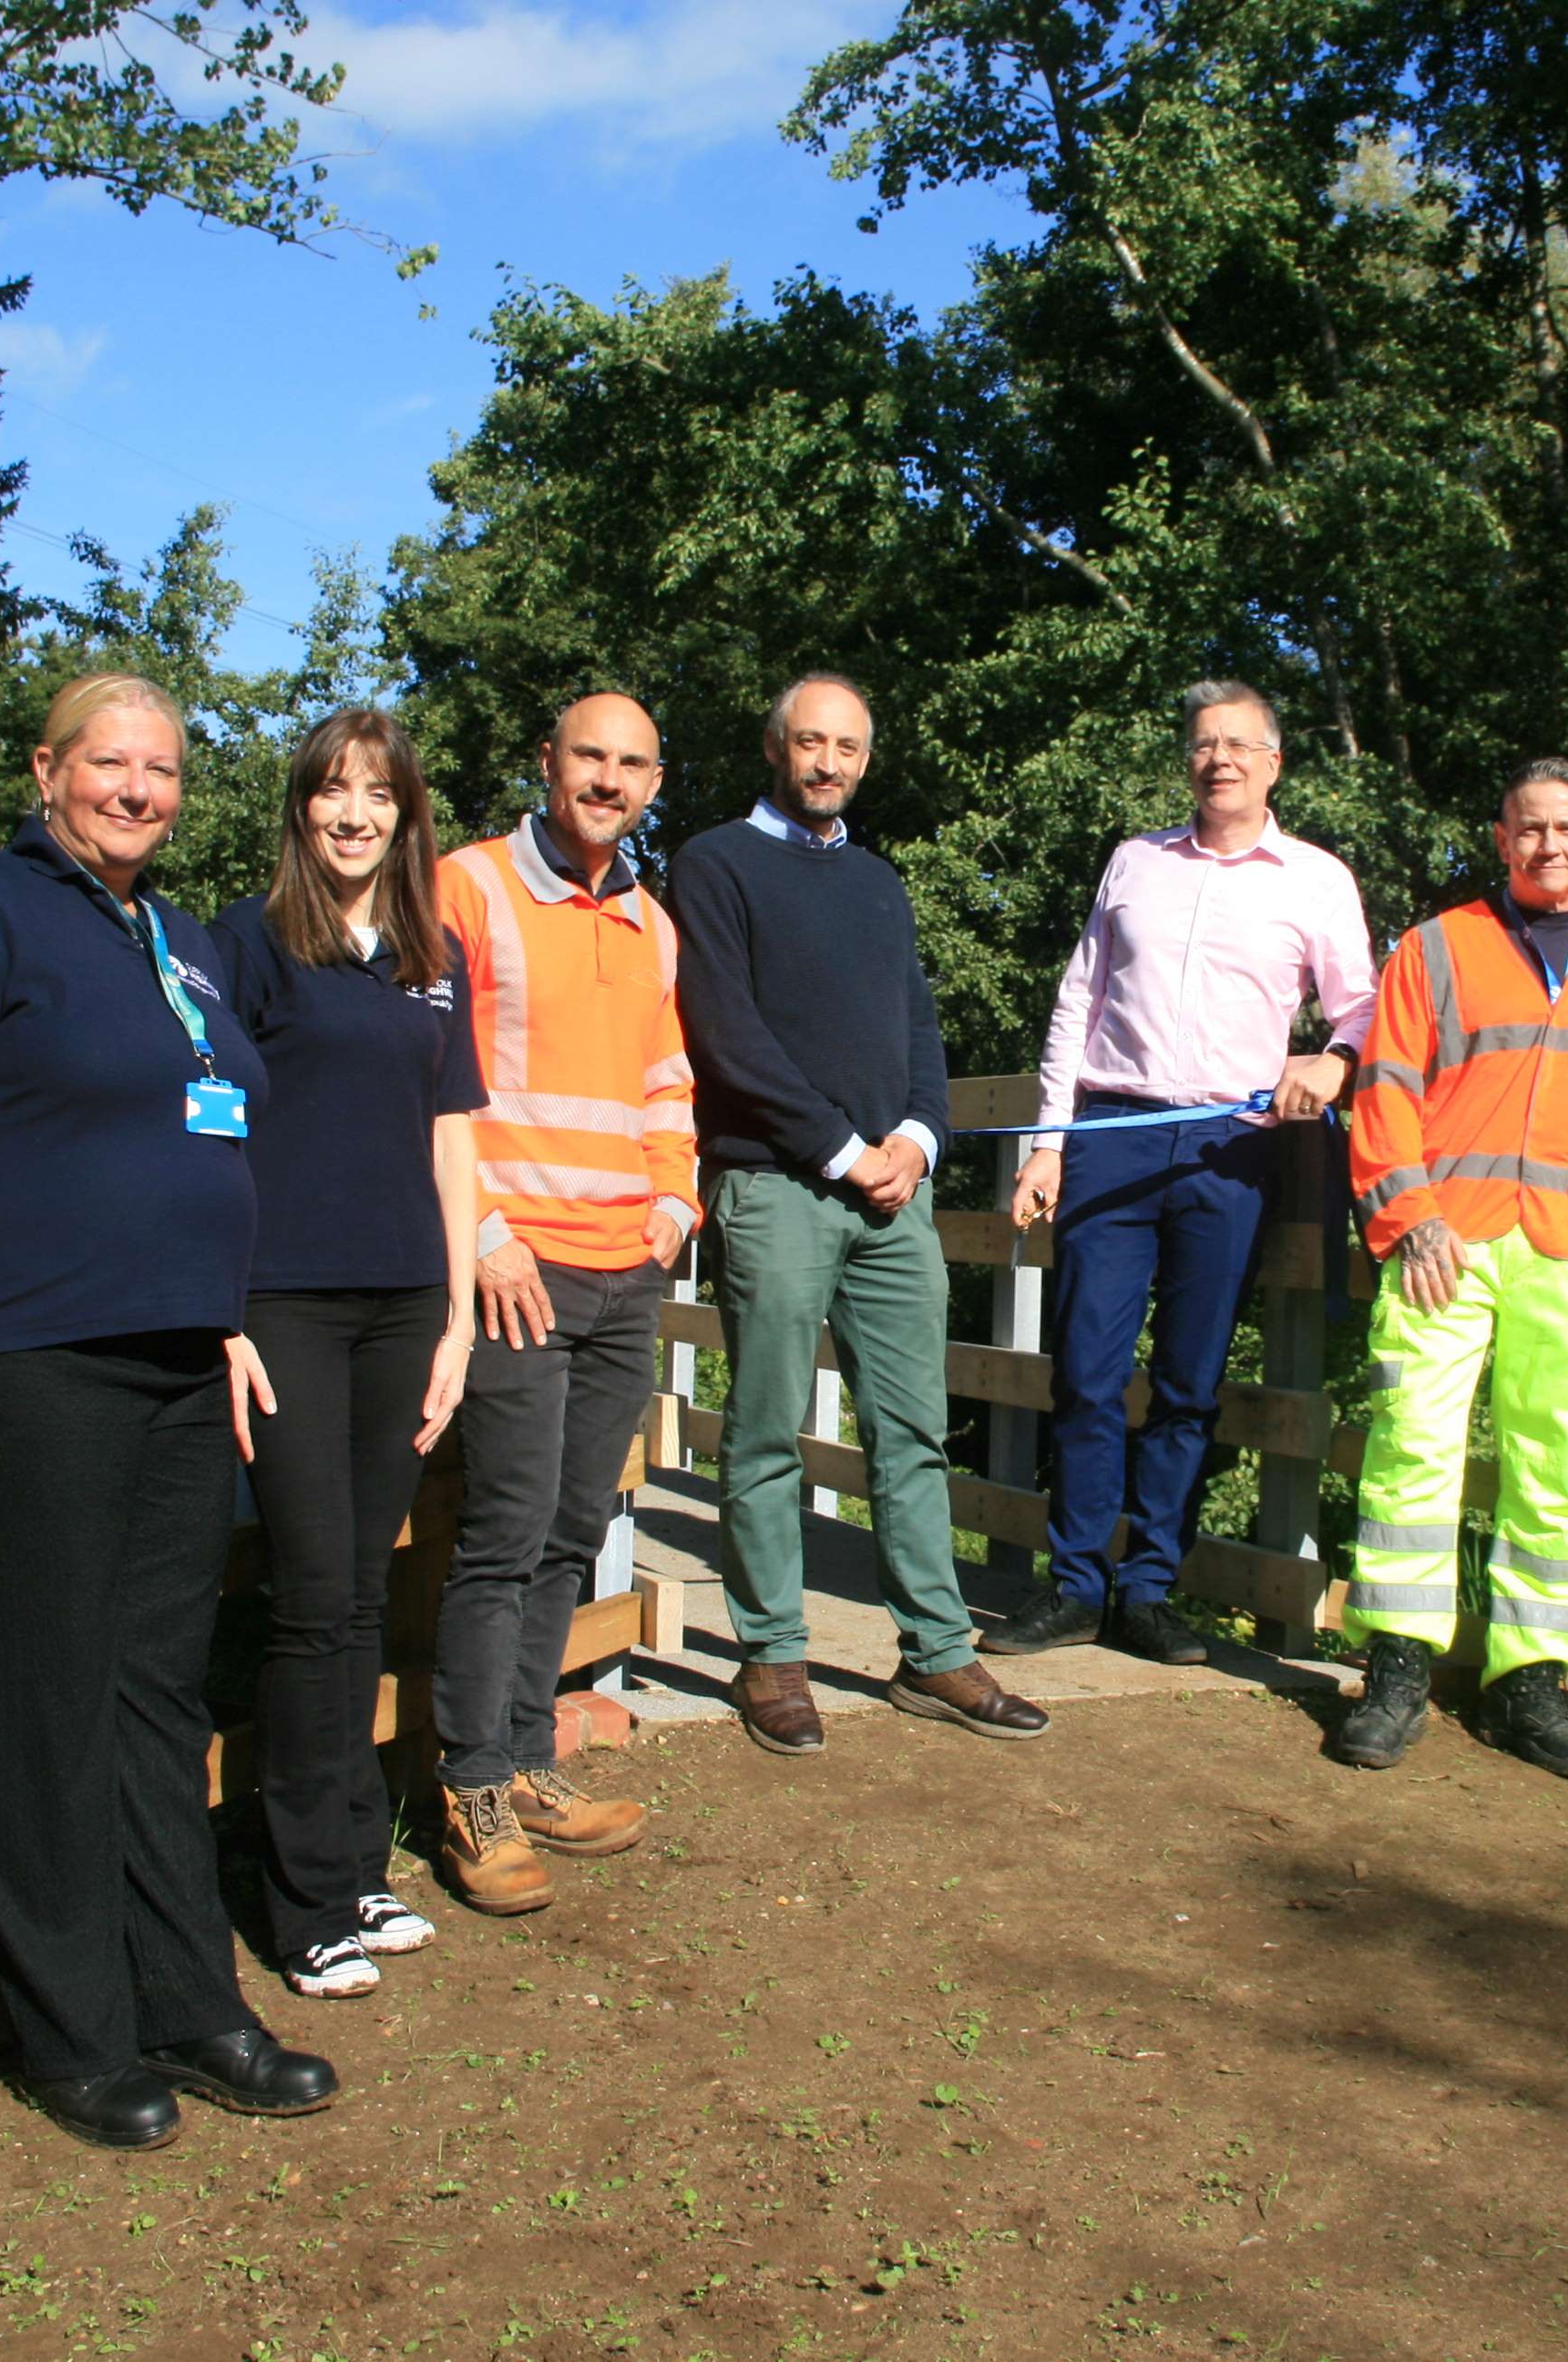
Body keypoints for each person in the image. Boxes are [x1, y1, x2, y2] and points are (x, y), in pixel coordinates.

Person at [0, 672, 337, 2151]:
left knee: (154, 1695)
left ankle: (187, 1997)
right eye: (110, 762)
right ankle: (71, 2028)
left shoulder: (177, 939)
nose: (138, 789)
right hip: (24, 1357)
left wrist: (222, 1315)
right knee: (42, 1693)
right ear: (45, 768)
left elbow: (201, 1132)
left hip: (178, 1366)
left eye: (163, 769)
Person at [668, 673, 1050, 1752]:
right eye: (808, 743)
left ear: (865, 759)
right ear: (773, 747)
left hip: (896, 1195)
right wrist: (842, 1149)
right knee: (765, 1430)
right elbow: (727, 1037)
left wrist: (918, 1141)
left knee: (912, 1431)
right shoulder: (715, 864)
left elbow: (918, 1031)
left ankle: (936, 1654)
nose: (827, 762)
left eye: (846, 746)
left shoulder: (882, 884)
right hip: (780, 1184)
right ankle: (772, 1656)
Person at [1330, 758, 1568, 1779]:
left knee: (1550, 1468)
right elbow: (1384, 1089)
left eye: (1566, 828)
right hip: (1442, 1243)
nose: (1548, 844)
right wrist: (1408, 1216)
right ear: (1500, 840)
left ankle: (1529, 1682)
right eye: (1528, 828)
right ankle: (1399, 1666)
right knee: (1411, 1444)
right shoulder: (1434, 948)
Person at [988, 681, 1375, 1667]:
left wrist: (1334, 1062)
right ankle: (1074, 1583)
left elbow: (1362, 1009)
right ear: (1189, 760)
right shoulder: (1135, 862)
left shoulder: (1317, 880)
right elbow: (1078, 1002)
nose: (1220, 761)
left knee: (1192, 1381)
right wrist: (1048, 1140)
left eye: (1241, 745)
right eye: (1205, 744)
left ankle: (1149, 1588)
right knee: (1085, 1369)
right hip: (1112, 1132)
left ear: (1275, 763)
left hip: (1231, 1148)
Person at [210, 710, 482, 1998]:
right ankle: (304, 1898)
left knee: (368, 1594)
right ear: (300, 809)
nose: (355, 814)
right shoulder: (247, 945)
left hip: (403, 1306)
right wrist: (221, 1306)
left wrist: (459, 1318)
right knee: (315, 1597)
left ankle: (354, 1866)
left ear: (408, 812)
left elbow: (452, 1139)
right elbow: (204, 1125)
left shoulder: (436, 955)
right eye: (332, 791)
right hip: (288, 1305)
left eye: (378, 793)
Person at [422, 692, 682, 1915]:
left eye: (632, 764)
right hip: (514, 1268)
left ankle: (529, 1759)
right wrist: (478, 1235)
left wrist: (675, 1206)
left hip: (624, 1270)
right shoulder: (466, 888)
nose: (609, 779)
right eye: (590, 756)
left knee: (574, 1527)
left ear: (652, 781)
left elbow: (667, 1079)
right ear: (547, 762)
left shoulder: (650, 920)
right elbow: (427, 1078)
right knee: (505, 1531)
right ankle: (469, 1782)